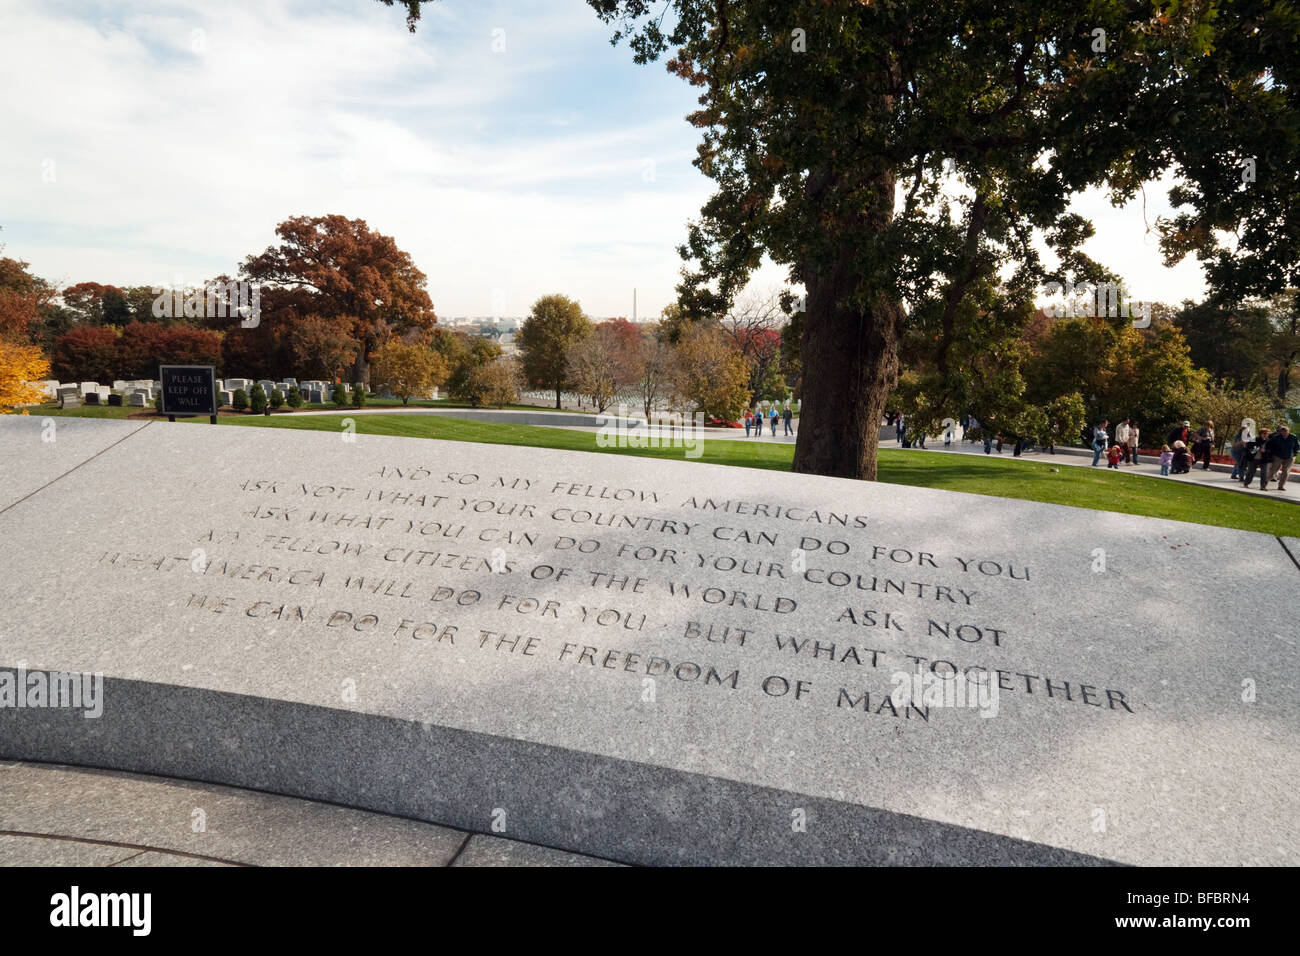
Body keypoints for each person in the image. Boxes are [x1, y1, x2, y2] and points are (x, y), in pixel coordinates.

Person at [1264, 425, 1297, 491]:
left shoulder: (1293, 437)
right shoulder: (1277, 437)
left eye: (1285, 433)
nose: (1284, 434)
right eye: (1282, 433)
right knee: (1273, 470)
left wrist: (1294, 454)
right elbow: (1269, 444)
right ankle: (1264, 485)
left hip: (1289, 457)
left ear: (1288, 432)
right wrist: (1273, 452)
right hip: (1278, 456)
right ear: (1281, 432)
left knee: (1286, 472)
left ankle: (1281, 486)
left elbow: (1297, 446)